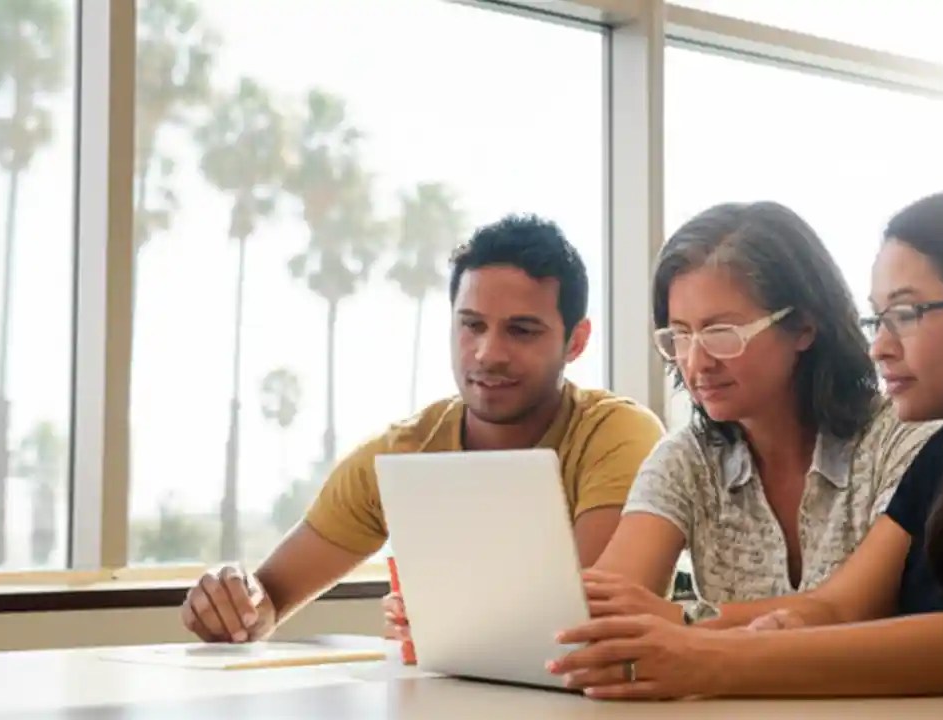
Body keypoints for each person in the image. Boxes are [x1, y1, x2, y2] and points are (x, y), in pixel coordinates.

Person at [547, 188, 943, 699]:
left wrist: (702, 655)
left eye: (908, 314)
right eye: (878, 317)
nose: (881, 344)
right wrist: (675, 632)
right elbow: (838, 605)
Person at [181, 214, 664, 644]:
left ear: (575, 341)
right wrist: (232, 604)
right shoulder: (399, 453)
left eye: (522, 330)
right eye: (471, 325)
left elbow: (584, 623)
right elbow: (268, 601)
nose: (487, 353)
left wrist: (450, 619)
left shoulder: (617, 434)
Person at [572, 201, 940, 631]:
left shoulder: (903, 442)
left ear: (804, 327)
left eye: (721, 333)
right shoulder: (687, 458)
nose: (696, 363)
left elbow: (854, 609)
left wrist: (681, 622)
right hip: (741, 698)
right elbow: (614, 595)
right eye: (680, 335)